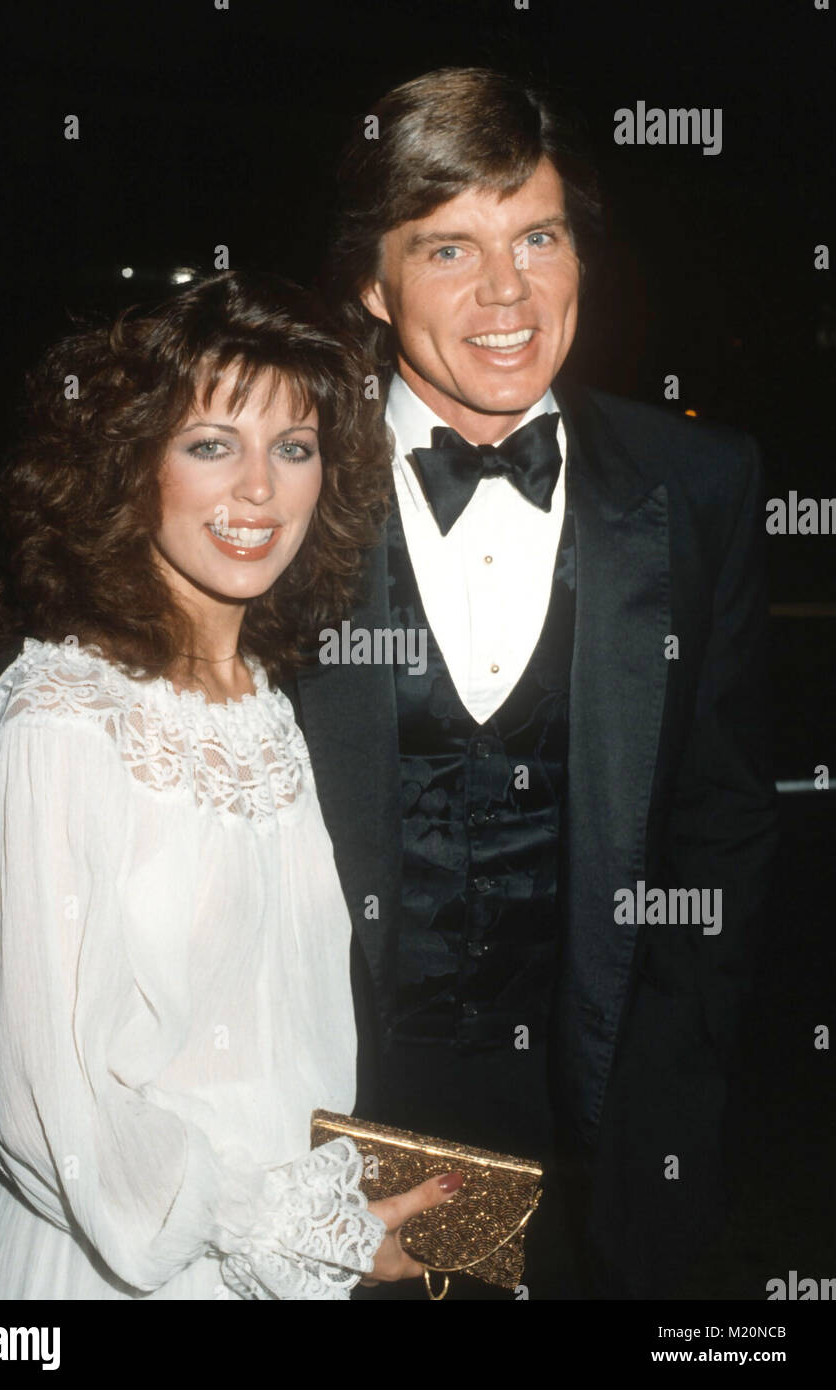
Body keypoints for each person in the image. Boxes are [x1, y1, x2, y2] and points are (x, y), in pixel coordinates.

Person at [281, 67, 780, 1299]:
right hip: (322, 1123)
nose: (506, 294)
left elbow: (725, 822)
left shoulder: (699, 484)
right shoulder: (274, 486)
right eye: (448, 247)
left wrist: (672, 1087)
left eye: (538, 237)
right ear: (371, 284)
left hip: (600, 1122)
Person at [0, 269, 463, 1300]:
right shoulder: (59, 718)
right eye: (211, 444)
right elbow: (56, 1107)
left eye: (294, 447)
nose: (259, 491)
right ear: (128, 463)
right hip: (113, 1268)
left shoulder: (274, 698)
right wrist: (300, 1235)